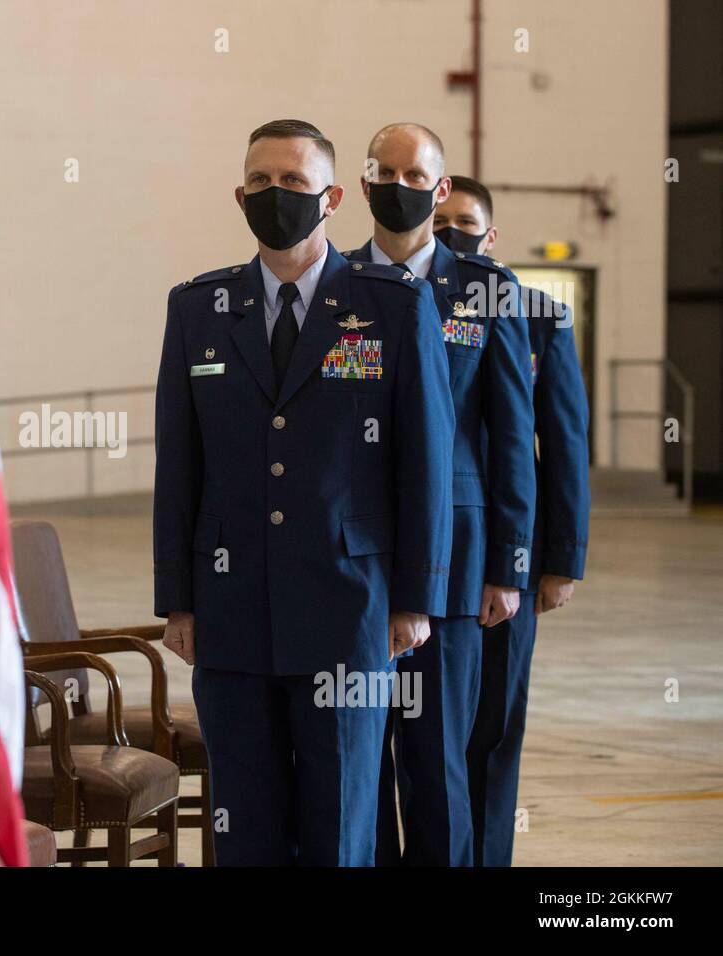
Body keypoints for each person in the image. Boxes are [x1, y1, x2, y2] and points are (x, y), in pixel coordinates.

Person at [153, 119, 454, 866]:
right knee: (243, 825)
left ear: (332, 197)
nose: (275, 194)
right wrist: (179, 599)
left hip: (351, 611)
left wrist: (416, 599)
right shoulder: (199, 309)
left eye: (293, 182)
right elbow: (178, 466)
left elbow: (426, 461)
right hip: (232, 615)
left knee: (341, 823)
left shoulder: (393, 305)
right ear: (239, 195)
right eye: (260, 181)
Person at [348, 125, 536, 867]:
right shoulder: (333, 281)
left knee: (438, 766)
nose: (400, 184)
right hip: (352, 562)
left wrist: (510, 567)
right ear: (363, 184)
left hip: (457, 568)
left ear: (442, 187)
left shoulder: (488, 290)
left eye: (415, 172)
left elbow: (513, 435)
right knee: (361, 765)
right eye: (385, 171)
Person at [436, 176, 591, 866]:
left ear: (490, 237)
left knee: (491, 727)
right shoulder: (378, 303)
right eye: (439, 221)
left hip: (504, 559)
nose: (450, 234)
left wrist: (559, 560)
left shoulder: (537, 315)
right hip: (409, 557)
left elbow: (562, 446)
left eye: (464, 222)